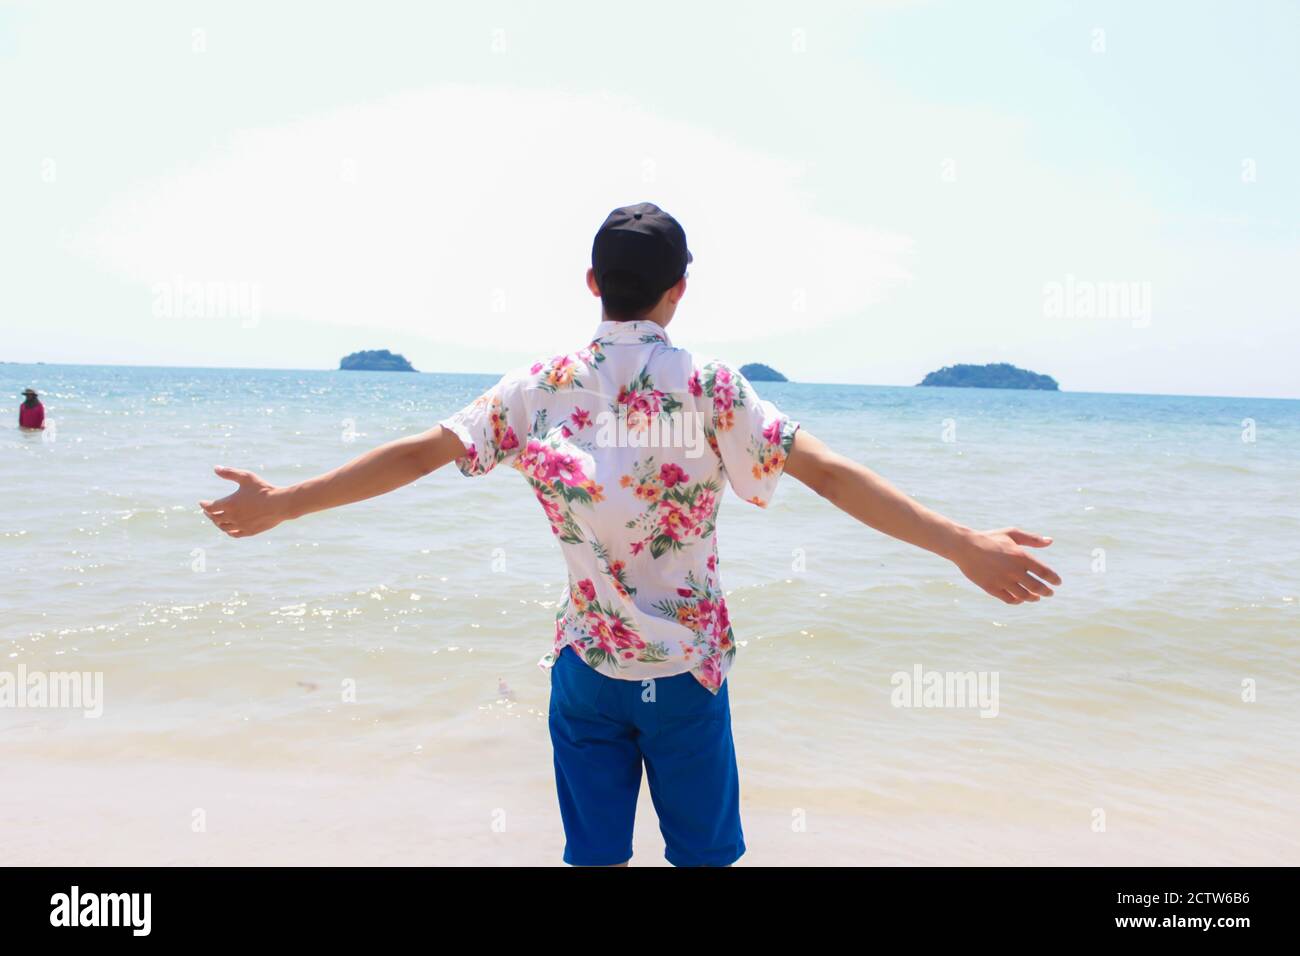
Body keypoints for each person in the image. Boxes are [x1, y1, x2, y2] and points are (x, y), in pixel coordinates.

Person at [200, 202, 1061, 866]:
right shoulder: (715, 389)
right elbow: (829, 473)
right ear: (679, 287)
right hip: (685, 674)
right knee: (704, 861)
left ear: (591, 282)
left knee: (595, 860)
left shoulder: (534, 390)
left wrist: (284, 504)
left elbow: (418, 456)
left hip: (586, 675)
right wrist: (961, 543)